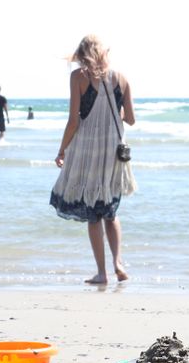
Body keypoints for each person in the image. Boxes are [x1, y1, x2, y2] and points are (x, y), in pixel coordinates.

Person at [50, 35, 137, 284]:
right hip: (113, 151)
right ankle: (118, 262)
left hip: (88, 151)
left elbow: (74, 120)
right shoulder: (121, 78)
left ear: (82, 53)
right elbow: (130, 119)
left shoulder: (79, 77)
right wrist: (117, 111)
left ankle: (102, 273)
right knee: (110, 209)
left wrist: (61, 149)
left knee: (93, 214)